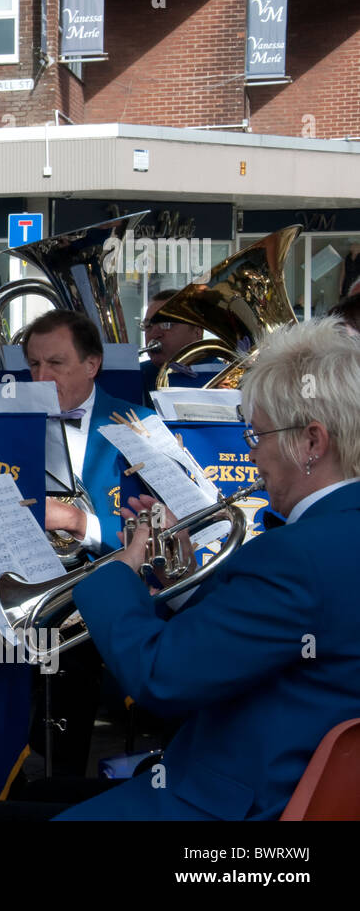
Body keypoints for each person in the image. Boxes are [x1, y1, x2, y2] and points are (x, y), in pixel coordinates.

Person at [59, 317, 360, 819]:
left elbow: (161, 677)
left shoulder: (295, 555)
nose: (253, 454)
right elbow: (265, 636)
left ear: (312, 442)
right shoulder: (322, 541)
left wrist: (118, 570)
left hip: (233, 801)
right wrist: (184, 581)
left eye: (257, 434)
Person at [23, 309, 154, 776]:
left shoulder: (138, 425)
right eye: (33, 365)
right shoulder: (10, 424)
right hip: (26, 580)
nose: (41, 377)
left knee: (68, 651)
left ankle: (63, 781)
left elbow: (159, 536)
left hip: (103, 585)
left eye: (56, 364)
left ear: (93, 364)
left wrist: (81, 523)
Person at [138, 289, 204, 397]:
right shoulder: (137, 374)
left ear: (197, 332)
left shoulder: (224, 376)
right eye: (148, 325)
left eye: (167, 324)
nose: (154, 334)